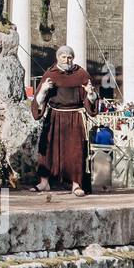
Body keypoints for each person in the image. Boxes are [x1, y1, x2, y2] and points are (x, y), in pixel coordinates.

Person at [32, 46, 98, 196]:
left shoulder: (81, 74)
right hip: (54, 116)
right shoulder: (51, 74)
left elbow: (91, 101)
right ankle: (44, 182)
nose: (66, 60)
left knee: (75, 151)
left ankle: (76, 184)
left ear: (73, 58)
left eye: (69, 57)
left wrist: (91, 94)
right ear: (57, 58)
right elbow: (39, 100)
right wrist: (44, 90)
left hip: (74, 117)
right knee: (47, 149)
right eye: (63, 57)